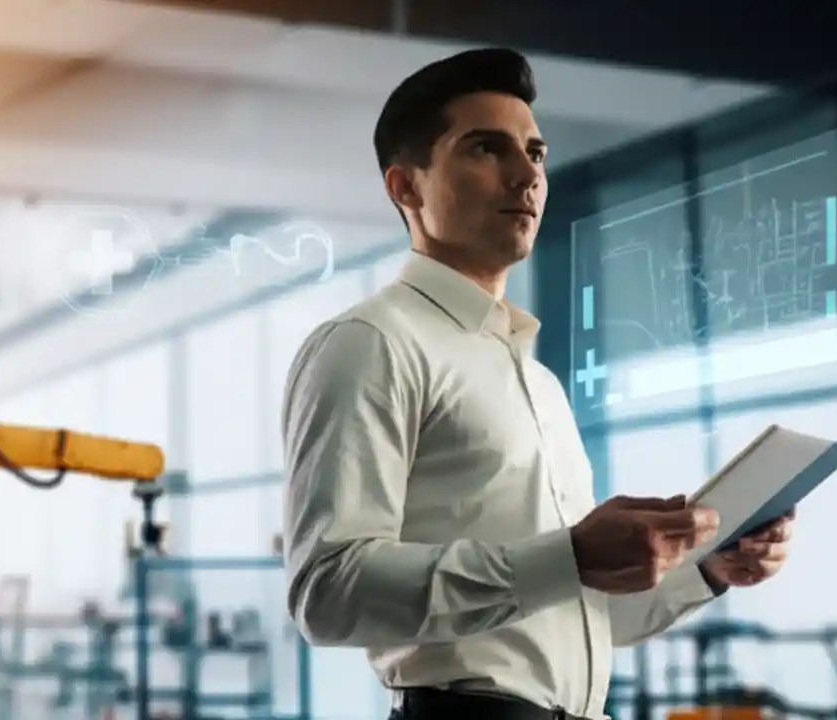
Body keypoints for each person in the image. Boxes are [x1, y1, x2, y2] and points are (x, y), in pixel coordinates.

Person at [279, 47, 796, 720]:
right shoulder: (370, 345)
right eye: (486, 150)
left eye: (537, 153)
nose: (526, 176)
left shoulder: (536, 380)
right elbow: (327, 592)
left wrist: (708, 569)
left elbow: (571, 614)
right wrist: (570, 555)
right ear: (405, 187)